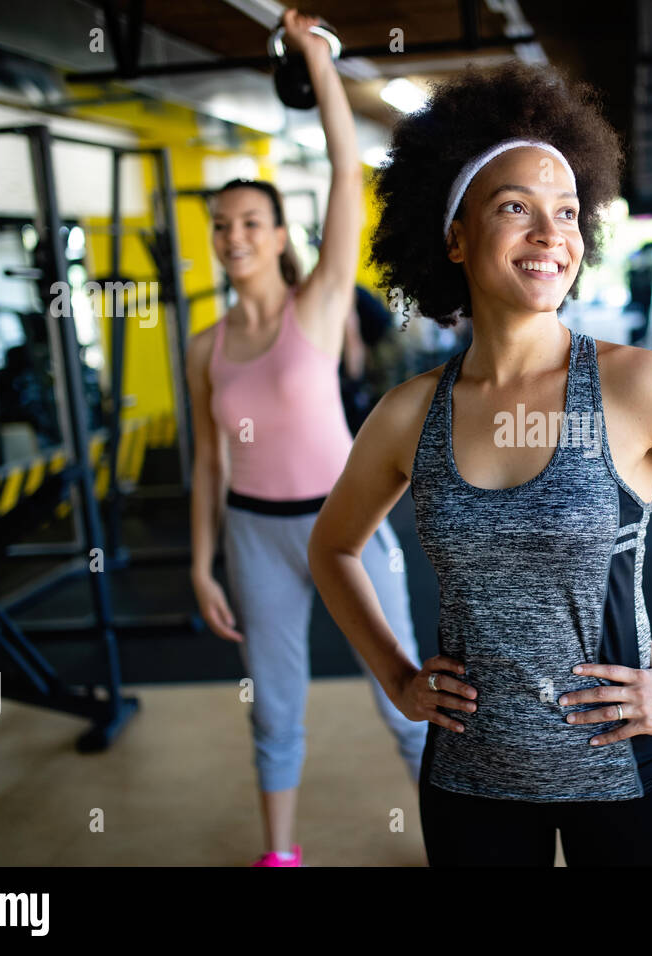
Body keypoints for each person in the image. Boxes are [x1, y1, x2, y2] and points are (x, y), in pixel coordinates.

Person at [307, 61, 652, 867]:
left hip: (628, 778)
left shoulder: (636, 386)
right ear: (454, 235)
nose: (551, 234)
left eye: (566, 212)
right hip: (470, 782)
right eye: (514, 208)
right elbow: (332, 547)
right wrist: (399, 677)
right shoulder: (410, 412)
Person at [185, 8, 427, 868]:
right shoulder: (205, 345)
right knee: (274, 708)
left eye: (251, 222)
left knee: (405, 698)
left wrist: (319, 62)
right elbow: (210, 460)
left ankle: (456, 842)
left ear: (279, 236)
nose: (235, 235)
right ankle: (279, 856)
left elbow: (343, 177)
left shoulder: (317, 305)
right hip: (252, 532)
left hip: (345, 526)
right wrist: (200, 560)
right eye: (222, 225)